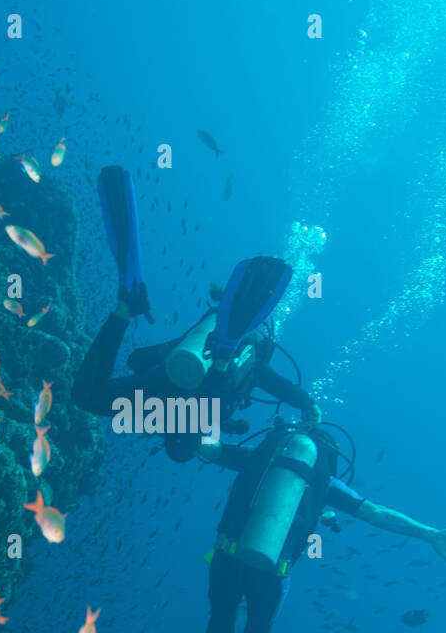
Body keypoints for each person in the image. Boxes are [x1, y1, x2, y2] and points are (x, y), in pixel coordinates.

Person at [71, 167, 318, 461]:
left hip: (169, 381)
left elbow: (137, 358)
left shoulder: (201, 341)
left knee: (88, 397)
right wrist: (308, 405)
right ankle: (222, 360)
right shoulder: (256, 370)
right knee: (182, 450)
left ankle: (124, 309)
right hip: (191, 405)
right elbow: (282, 387)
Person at [199, 418, 446, 633]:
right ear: (330, 458)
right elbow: (376, 512)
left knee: (221, 617)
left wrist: (179, 422)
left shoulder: (262, 456)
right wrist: (431, 534)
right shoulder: (325, 482)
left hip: (227, 559)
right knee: (260, 626)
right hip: (272, 574)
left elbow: (210, 450)